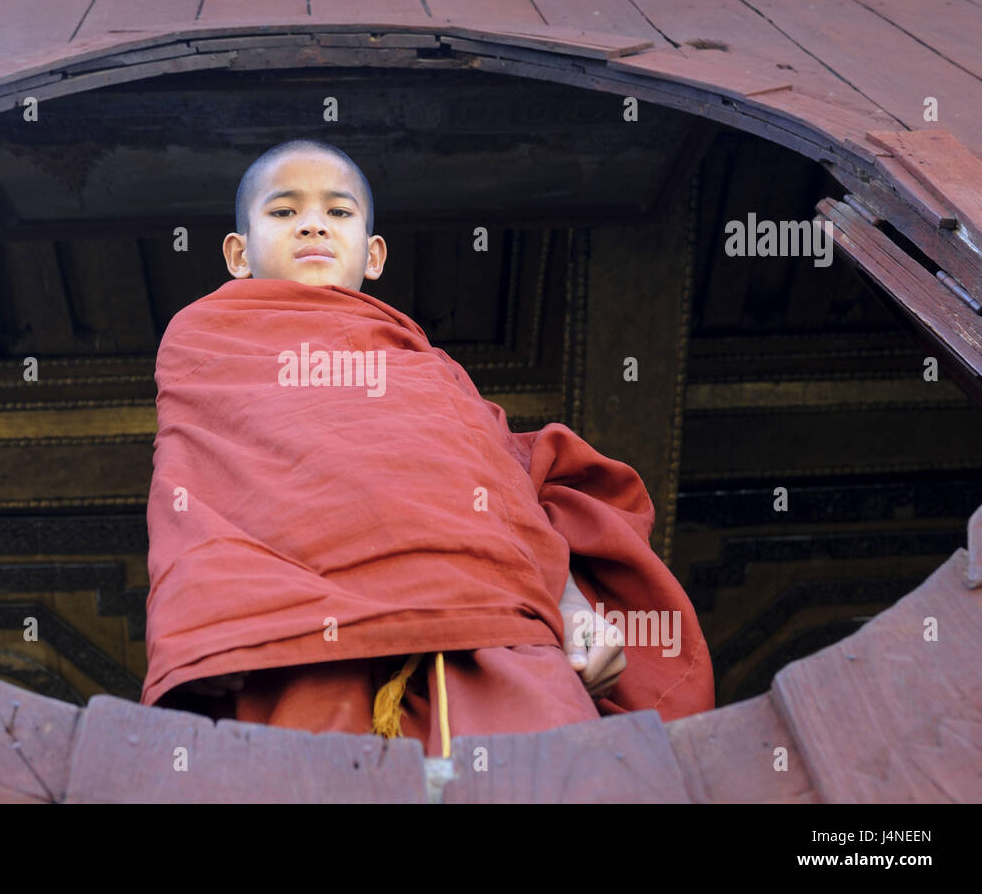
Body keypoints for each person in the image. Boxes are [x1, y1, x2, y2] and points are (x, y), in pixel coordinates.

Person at [139, 138, 714, 758]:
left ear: (375, 253)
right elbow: (191, 488)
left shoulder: (434, 369)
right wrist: (211, 623)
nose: (312, 223)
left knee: (555, 781)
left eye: (339, 212)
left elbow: (512, 496)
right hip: (295, 638)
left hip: (493, 629)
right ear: (237, 253)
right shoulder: (208, 337)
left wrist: (572, 609)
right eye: (282, 212)